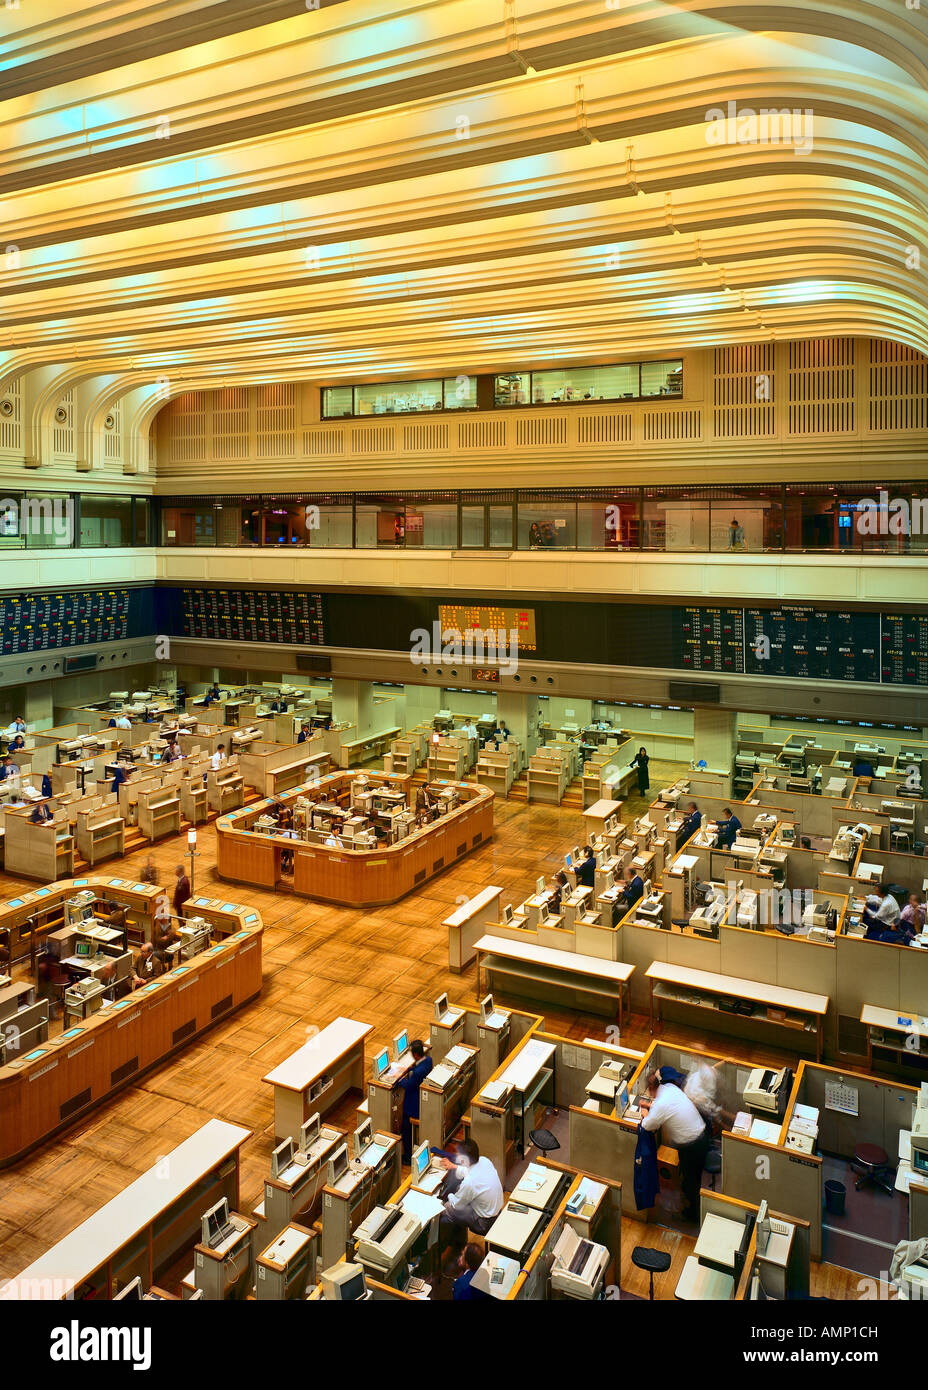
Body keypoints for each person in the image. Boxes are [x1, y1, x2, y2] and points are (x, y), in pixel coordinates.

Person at [639, 1067, 710, 1221]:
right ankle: (689, 1204)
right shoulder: (670, 1088)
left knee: (691, 1181)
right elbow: (666, 1108)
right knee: (693, 1178)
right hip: (701, 1136)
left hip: (691, 1146)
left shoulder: (660, 1105)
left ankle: (692, 1217)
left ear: (651, 1088)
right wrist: (651, 1107)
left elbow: (648, 1125)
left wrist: (645, 1112)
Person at [438, 1139, 503, 1242]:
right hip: (496, 1211)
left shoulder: (470, 1182)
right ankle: (457, 1239)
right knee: (459, 1189)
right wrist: (454, 1166)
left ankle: (443, 1243)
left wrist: (448, 1196)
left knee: (445, 1208)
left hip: (484, 1223)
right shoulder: (484, 1160)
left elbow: (457, 1205)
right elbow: (471, 1172)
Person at [396, 1039, 433, 1162]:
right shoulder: (428, 1060)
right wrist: (411, 1069)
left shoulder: (417, 1073)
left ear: (416, 1055)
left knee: (406, 1128)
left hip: (414, 1105)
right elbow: (418, 1068)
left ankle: (407, 1156)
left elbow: (409, 1085)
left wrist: (399, 1079)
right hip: (422, 1098)